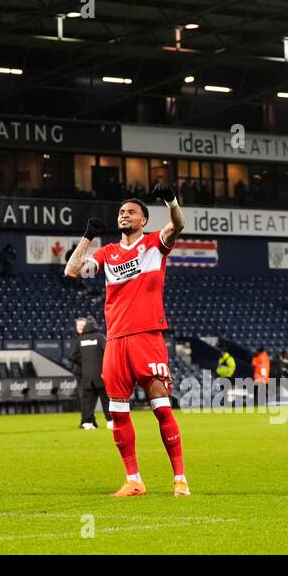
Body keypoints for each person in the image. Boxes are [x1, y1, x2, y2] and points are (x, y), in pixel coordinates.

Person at [64, 183, 188, 498]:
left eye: (131, 212)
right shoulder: (107, 254)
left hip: (147, 334)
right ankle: (134, 480)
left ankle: (180, 480)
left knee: (161, 406)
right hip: (116, 339)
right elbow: (72, 271)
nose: (124, 215)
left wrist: (170, 201)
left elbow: (178, 224)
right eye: (121, 212)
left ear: (144, 220)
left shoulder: (154, 244)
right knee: (119, 411)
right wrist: (88, 236)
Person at [69, 316, 109, 430]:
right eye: (78, 326)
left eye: (82, 325)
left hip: (87, 373)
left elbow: (72, 356)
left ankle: (89, 421)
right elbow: (72, 356)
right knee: (86, 398)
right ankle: (87, 420)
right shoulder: (77, 339)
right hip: (81, 373)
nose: (80, 327)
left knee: (88, 398)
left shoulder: (81, 340)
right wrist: (84, 363)